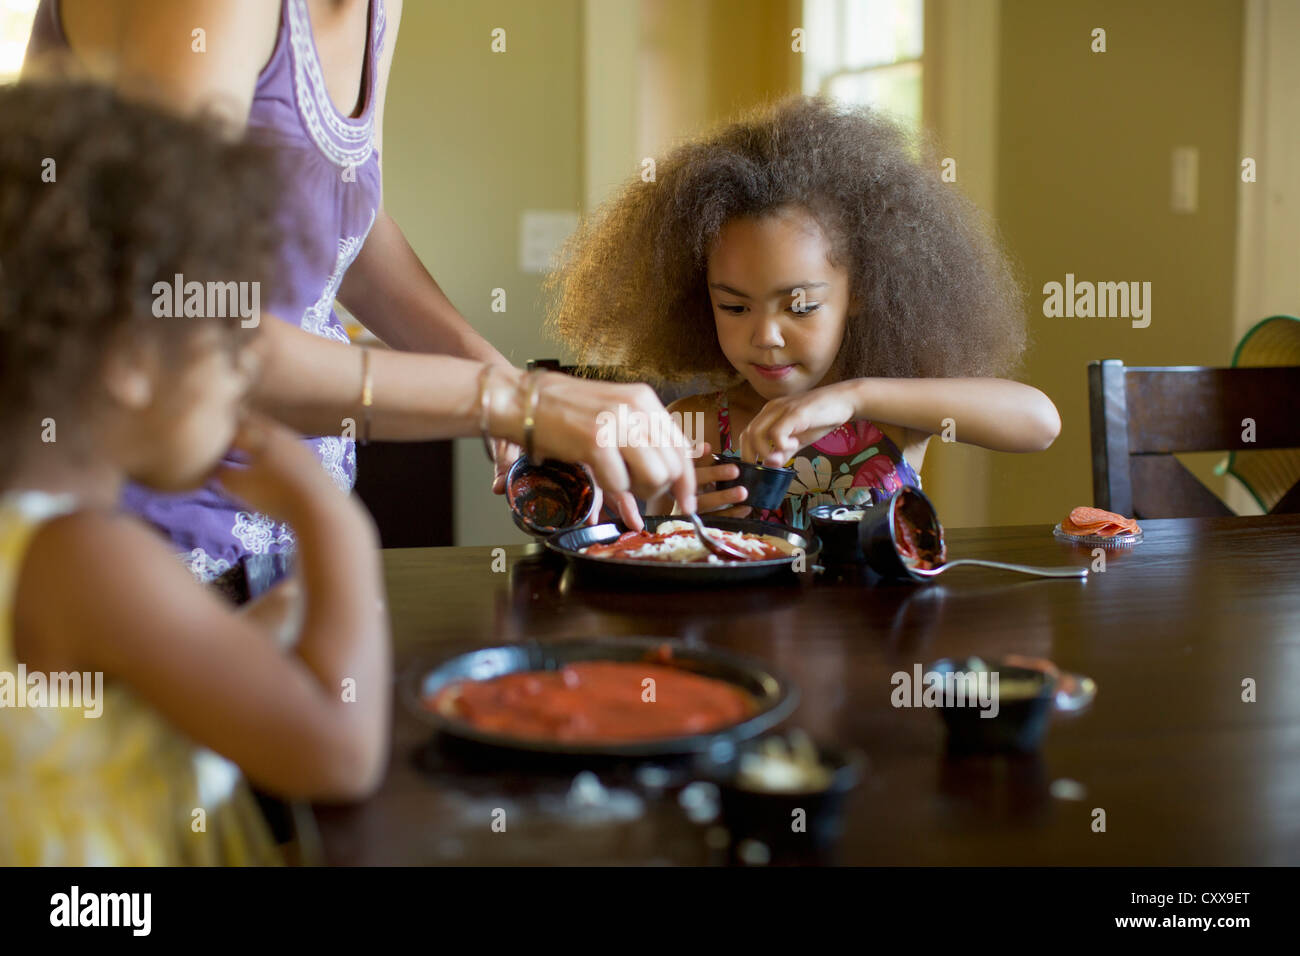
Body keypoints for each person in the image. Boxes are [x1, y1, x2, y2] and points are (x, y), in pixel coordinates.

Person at [22, 0, 695, 599]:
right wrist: (516, 402)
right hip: (143, 531)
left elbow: (341, 220)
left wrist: (506, 381)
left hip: (274, 524)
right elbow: (178, 320)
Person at [0, 82, 397, 864]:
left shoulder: (46, 548)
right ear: (133, 362)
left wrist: (261, 629)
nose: (246, 370)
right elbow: (339, 755)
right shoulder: (86, 558)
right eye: (231, 340)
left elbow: (128, 697)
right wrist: (333, 521)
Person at [546, 97, 1061, 528]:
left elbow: (1039, 423)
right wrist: (669, 516)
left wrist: (853, 397)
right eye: (733, 305)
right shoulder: (692, 424)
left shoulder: (893, 416)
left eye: (800, 305)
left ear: (860, 291)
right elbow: (647, 541)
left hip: (879, 644)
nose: (765, 335)